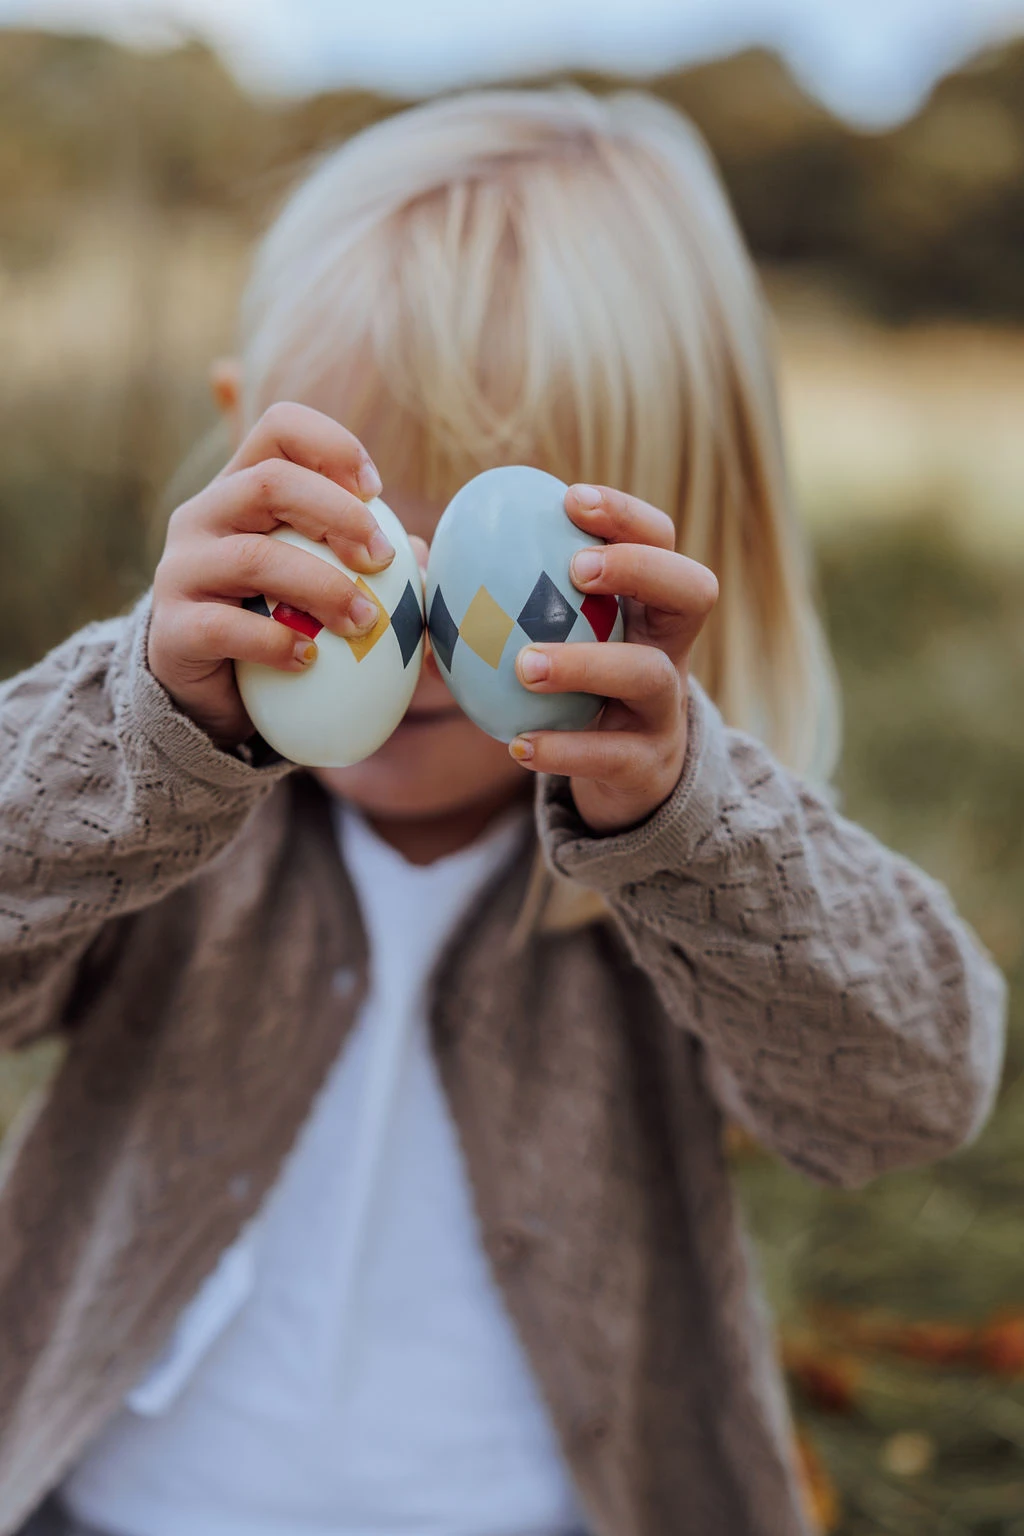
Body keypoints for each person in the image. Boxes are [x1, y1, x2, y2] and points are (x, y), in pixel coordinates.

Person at [0, 88, 1007, 1536]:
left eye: (497, 567)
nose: (408, 632)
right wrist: (147, 727)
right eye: (358, 541)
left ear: (664, 566)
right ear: (244, 463)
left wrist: (681, 817)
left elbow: (911, 1094)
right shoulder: (161, 809)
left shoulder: (679, 884)